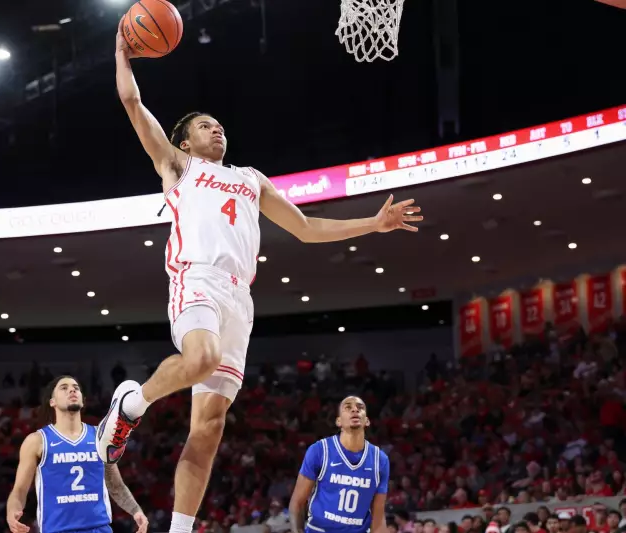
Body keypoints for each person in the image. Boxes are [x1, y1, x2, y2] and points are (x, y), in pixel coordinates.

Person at [96, 17, 422, 533]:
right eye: (205, 125)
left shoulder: (251, 179)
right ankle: (129, 404)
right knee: (198, 358)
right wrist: (123, 54)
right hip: (196, 276)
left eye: (219, 124)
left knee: (209, 426)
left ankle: (180, 529)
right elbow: (133, 104)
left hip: (238, 299)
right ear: (184, 140)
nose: (216, 129)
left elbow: (308, 227)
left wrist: (374, 224)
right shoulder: (178, 167)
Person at [6, 376, 148, 533]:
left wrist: (136, 510)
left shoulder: (100, 436)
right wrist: (12, 511)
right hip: (58, 530)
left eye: (76, 387)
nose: (72, 389)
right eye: (64, 388)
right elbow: (19, 490)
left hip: (99, 529)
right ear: (52, 401)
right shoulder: (37, 441)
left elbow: (115, 485)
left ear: (83, 400)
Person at [288, 396, 389, 533]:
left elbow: (378, 517)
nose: (355, 409)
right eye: (348, 407)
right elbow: (297, 502)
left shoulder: (380, 460)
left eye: (360, 408)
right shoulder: (320, 450)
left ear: (367, 421)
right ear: (339, 421)